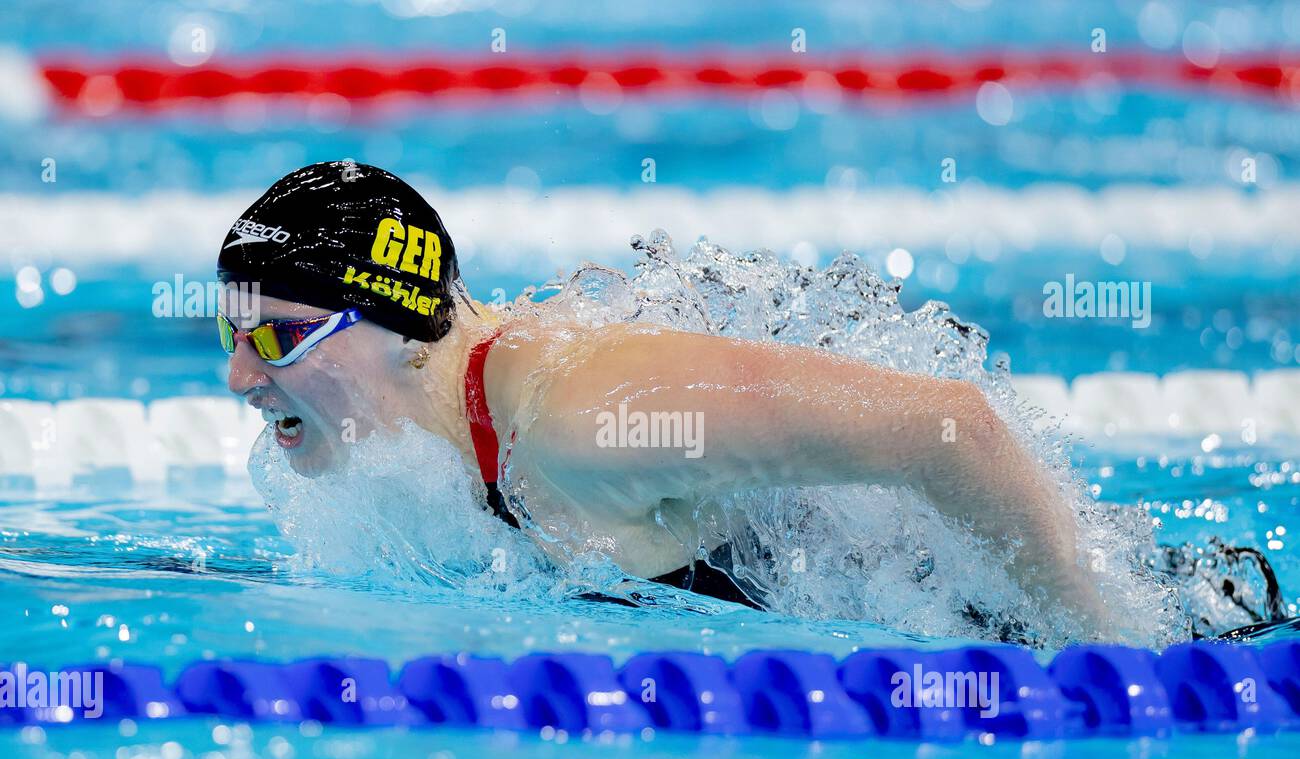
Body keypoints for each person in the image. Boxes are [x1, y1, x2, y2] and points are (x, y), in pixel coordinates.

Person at [215, 161, 1127, 633]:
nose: (240, 378)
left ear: (401, 328)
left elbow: (948, 428)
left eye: (275, 338)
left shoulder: (583, 420)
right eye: (229, 334)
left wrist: (1104, 661)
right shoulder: (442, 442)